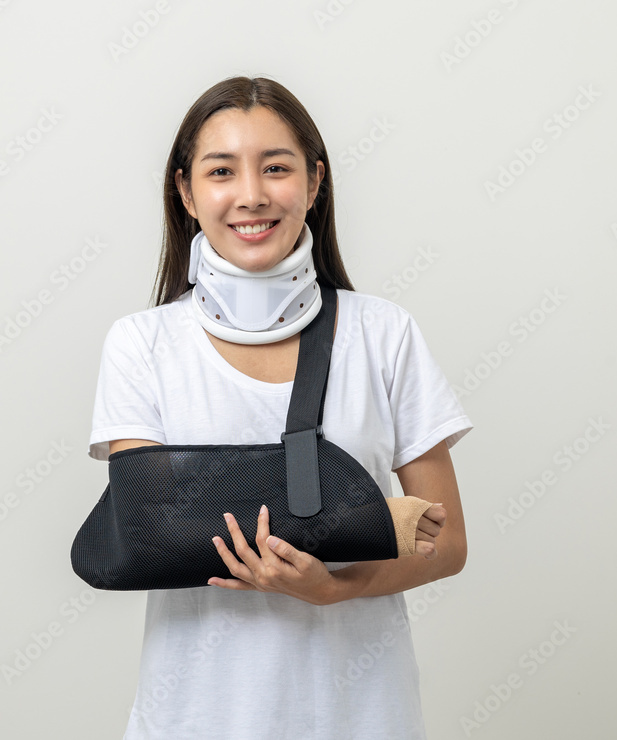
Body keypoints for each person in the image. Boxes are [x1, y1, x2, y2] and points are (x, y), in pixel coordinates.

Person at [88, 75, 472, 739]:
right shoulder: (142, 344)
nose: (251, 195)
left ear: (315, 182)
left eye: (276, 167)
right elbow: (152, 535)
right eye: (220, 171)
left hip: (359, 716)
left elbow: (449, 543)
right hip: (197, 718)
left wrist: (337, 586)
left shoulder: (384, 334)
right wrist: (374, 521)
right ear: (185, 192)